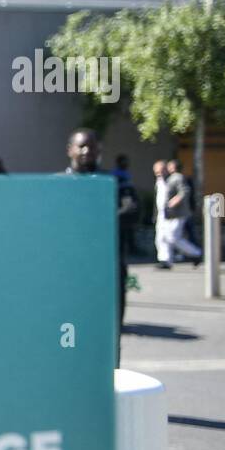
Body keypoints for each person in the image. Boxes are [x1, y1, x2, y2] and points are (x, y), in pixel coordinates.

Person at [65, 128, 135, 362]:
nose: (86, 151)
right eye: (81, 146)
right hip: (69, 274)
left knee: (108, 334)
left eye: (92, 146)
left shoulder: (114, 182)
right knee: (68, 331)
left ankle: (109, 382)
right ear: (70, 150)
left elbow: (131, 210)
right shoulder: (56, 185)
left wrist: (93, 222)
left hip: (108, 272)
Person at [160, 158, 203, 268]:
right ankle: (167, 261)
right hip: (172, 214)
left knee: (173, 237)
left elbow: (184, 191)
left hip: (178, 213)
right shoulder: (172, 178)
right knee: (166, 237)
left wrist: (174, 201)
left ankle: (196, 253)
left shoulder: (177, 177)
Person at [152, 160, 171, 266]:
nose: (158, 174)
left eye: (160, 171)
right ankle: (163, 259)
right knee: (159, 237)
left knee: (169, 237)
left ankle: (166, 259)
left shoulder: (170, 181)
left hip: (169, 213)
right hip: (160, 213)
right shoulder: (158, 182)